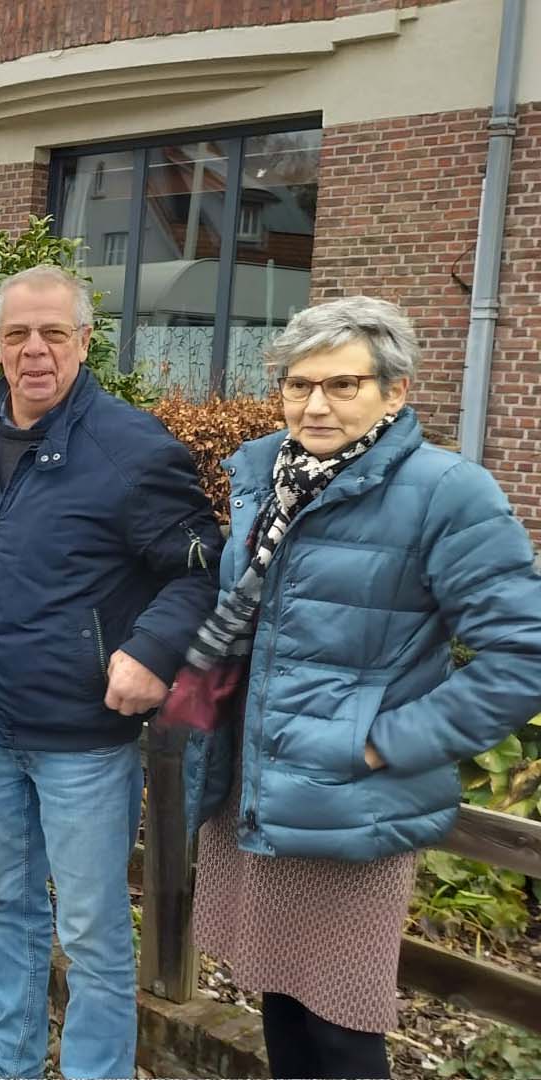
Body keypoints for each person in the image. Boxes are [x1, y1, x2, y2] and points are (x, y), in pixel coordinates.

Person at [181, 297, 541, 1080]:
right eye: (298, 384)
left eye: (343, 384)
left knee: (342, 1024)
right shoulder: (268, 476)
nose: (315, 405)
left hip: (353, 798)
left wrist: (383, 743)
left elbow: (523, 656)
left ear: (395, 391)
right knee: (280, 998)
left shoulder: (447, 492)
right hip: (261, 783)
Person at [0, 265, 221, 1080]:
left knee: (90, 931)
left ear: (84, 341)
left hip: (80, 738)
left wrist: (152, 651)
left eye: (53, 333)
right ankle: (8, 1054)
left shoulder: (131, 448)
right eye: (18, 334)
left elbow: (199, 569)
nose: (35, 350)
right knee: (6, 905)